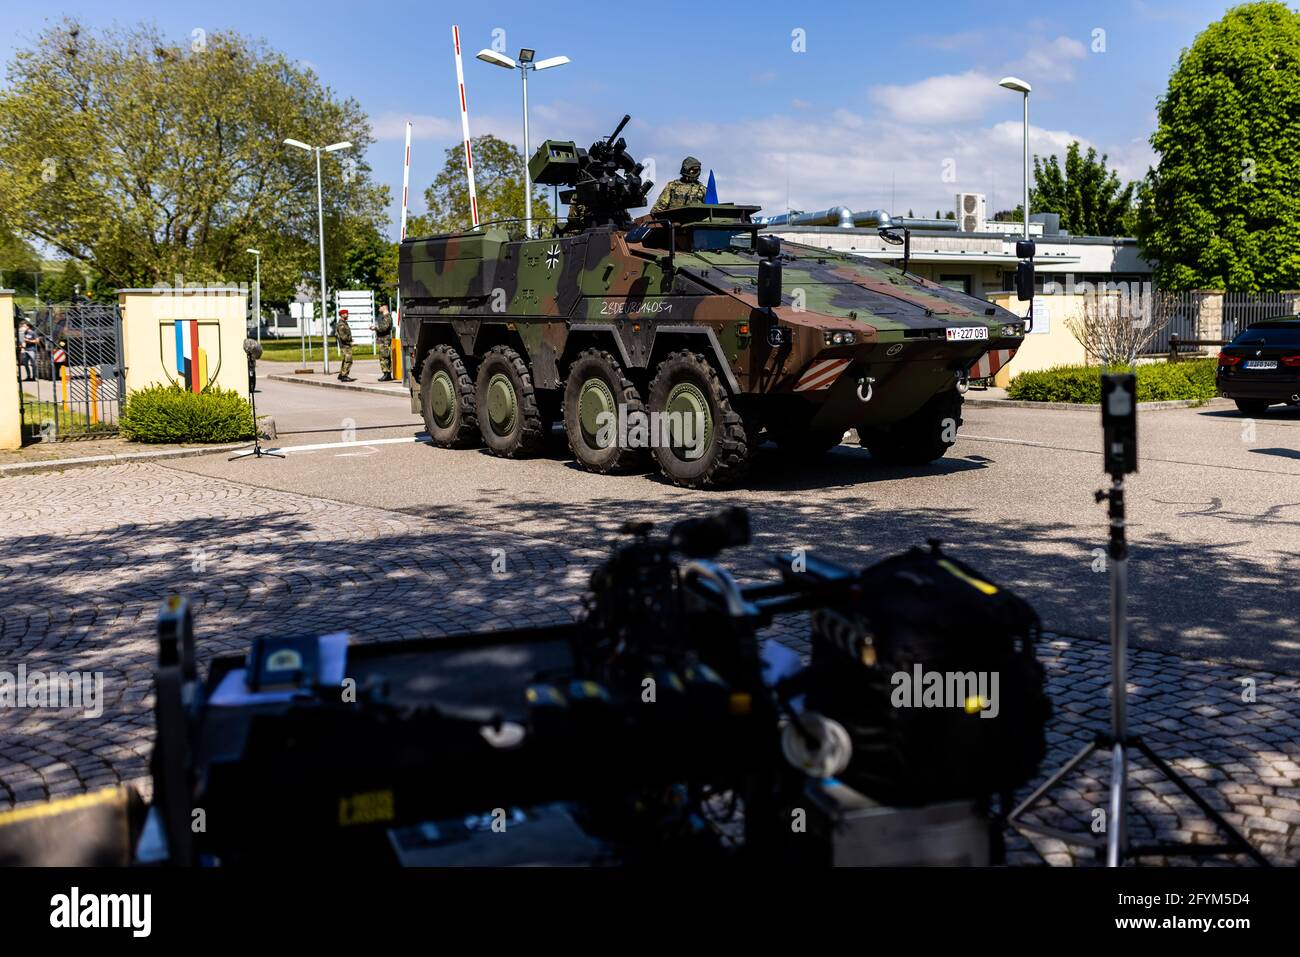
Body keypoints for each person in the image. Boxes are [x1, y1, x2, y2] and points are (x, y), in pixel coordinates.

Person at [372, 304, 394, 382]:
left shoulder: (387, 317)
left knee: (384, 357)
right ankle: (386, 373)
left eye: (380, 307)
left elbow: (384, 328)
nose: (379, 308)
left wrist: (375, 327)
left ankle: (386, 374)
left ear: (384, 307)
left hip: (385, 340)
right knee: (384, 357)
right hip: (383, 340)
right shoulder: (384, 317)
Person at [335, 309, 355, 382]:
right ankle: (344, 376)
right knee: (349, 360)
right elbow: (343, 337)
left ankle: (341, 375)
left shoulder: (344, 323)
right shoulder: (341, 324)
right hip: (345, 345)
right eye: (346, 314)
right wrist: (350, 341)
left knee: (345, 360)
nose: (347, 315)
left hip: (346, 344)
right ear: (342, 315)